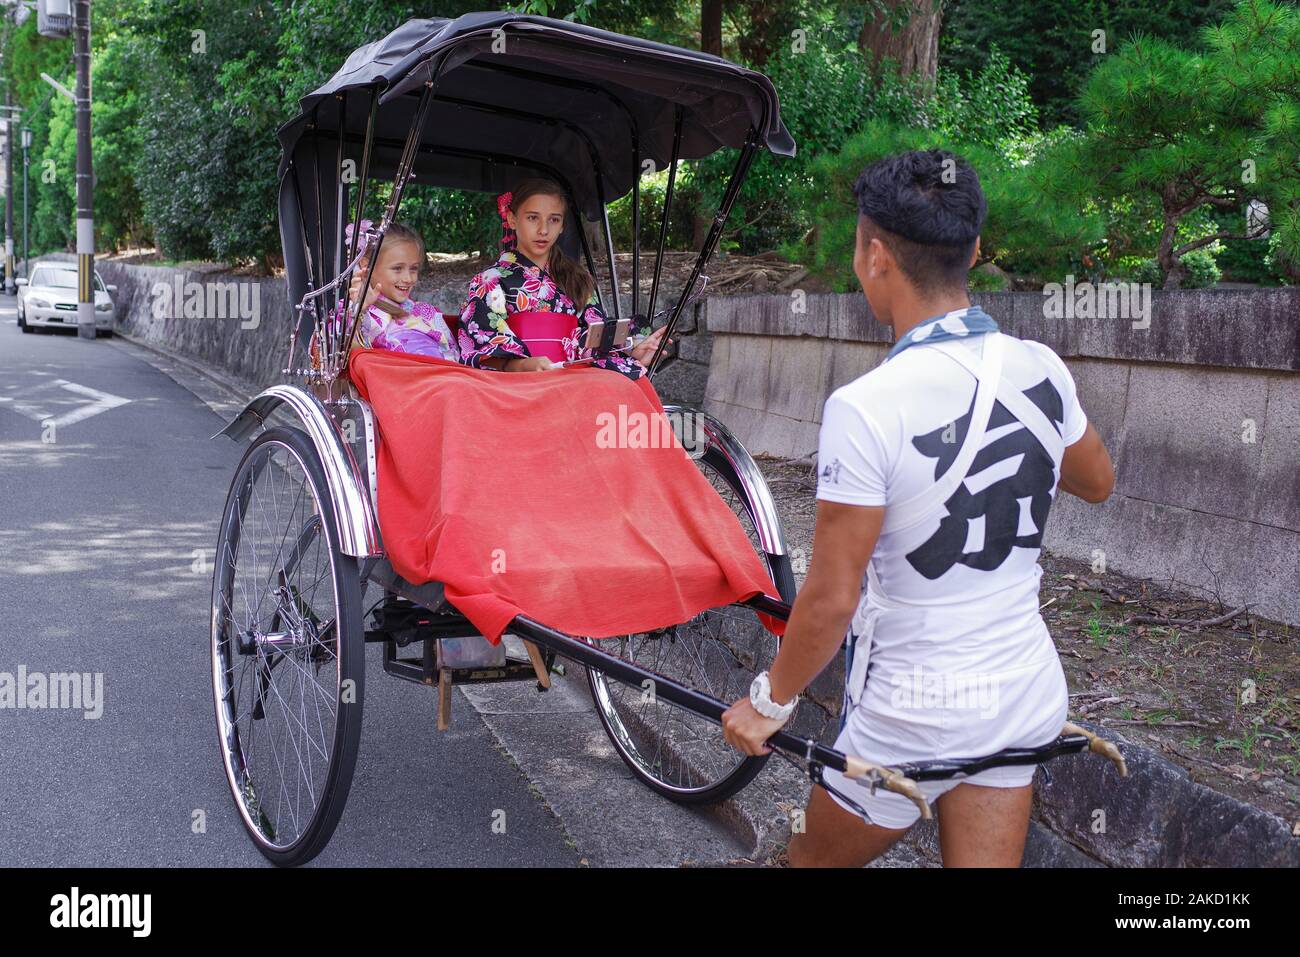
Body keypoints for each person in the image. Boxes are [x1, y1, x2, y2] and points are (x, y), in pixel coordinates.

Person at [720, 149, 1115, 867]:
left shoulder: (867, 407)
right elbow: (1096, 480)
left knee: (807, 862)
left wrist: (769, 701)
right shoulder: (1041, 368)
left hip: (914, 712)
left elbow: (832, 598)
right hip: (1020, 692)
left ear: (875, 255)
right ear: (973, 251)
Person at [457, 178, 669, 376]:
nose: (543, 230)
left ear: (562, 226)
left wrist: (632, 352)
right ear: (512, 219)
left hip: (573, 376)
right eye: (532, 218)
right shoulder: (490, 280)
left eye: (554, 220)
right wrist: (520, 364)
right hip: (518, 381)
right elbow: (482, 342)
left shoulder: (578, 278)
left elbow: (592, 339)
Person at [344, 219, 459, 361]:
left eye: (413, 269)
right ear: (366, 266)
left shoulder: (422, 311)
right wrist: (359, 311)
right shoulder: (350, 314)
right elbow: (346, 358)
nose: (408, 278)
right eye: (397, 269)